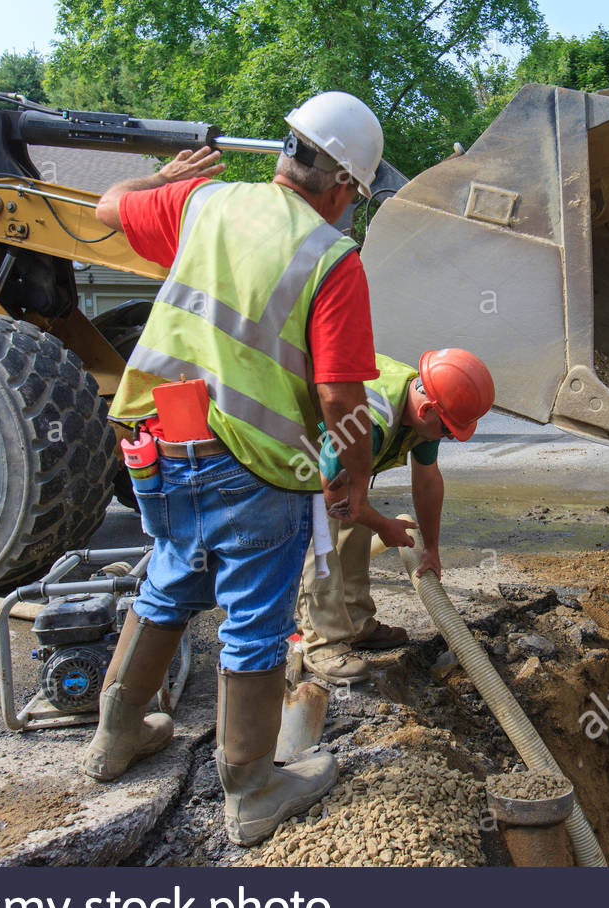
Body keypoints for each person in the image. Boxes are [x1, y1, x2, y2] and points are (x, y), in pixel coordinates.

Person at [80, 91, 385, 848]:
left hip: (159, 445)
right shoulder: (330, 256)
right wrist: (351, 474)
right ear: (344, 186)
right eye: (354, 198)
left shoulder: (204, 202)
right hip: (249, 460)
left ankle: (115, 737)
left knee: (171, 576)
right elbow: (341, 392)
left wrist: (160, 178)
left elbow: (106, 209)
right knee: (255, 619)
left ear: (289, 154)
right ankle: (252, 787)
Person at [296, 349, 495, 684]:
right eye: (448, 430)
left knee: (354, 521)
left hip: (340, 465)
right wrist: (384, 526)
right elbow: (331, 491)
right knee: (323, 532)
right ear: (429, 409)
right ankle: (322, 643)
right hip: (298, 452)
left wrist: (431, 548)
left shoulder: (422, 402)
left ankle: (355, 623)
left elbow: (428, 480)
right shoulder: (371, 418)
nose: (447, 437)